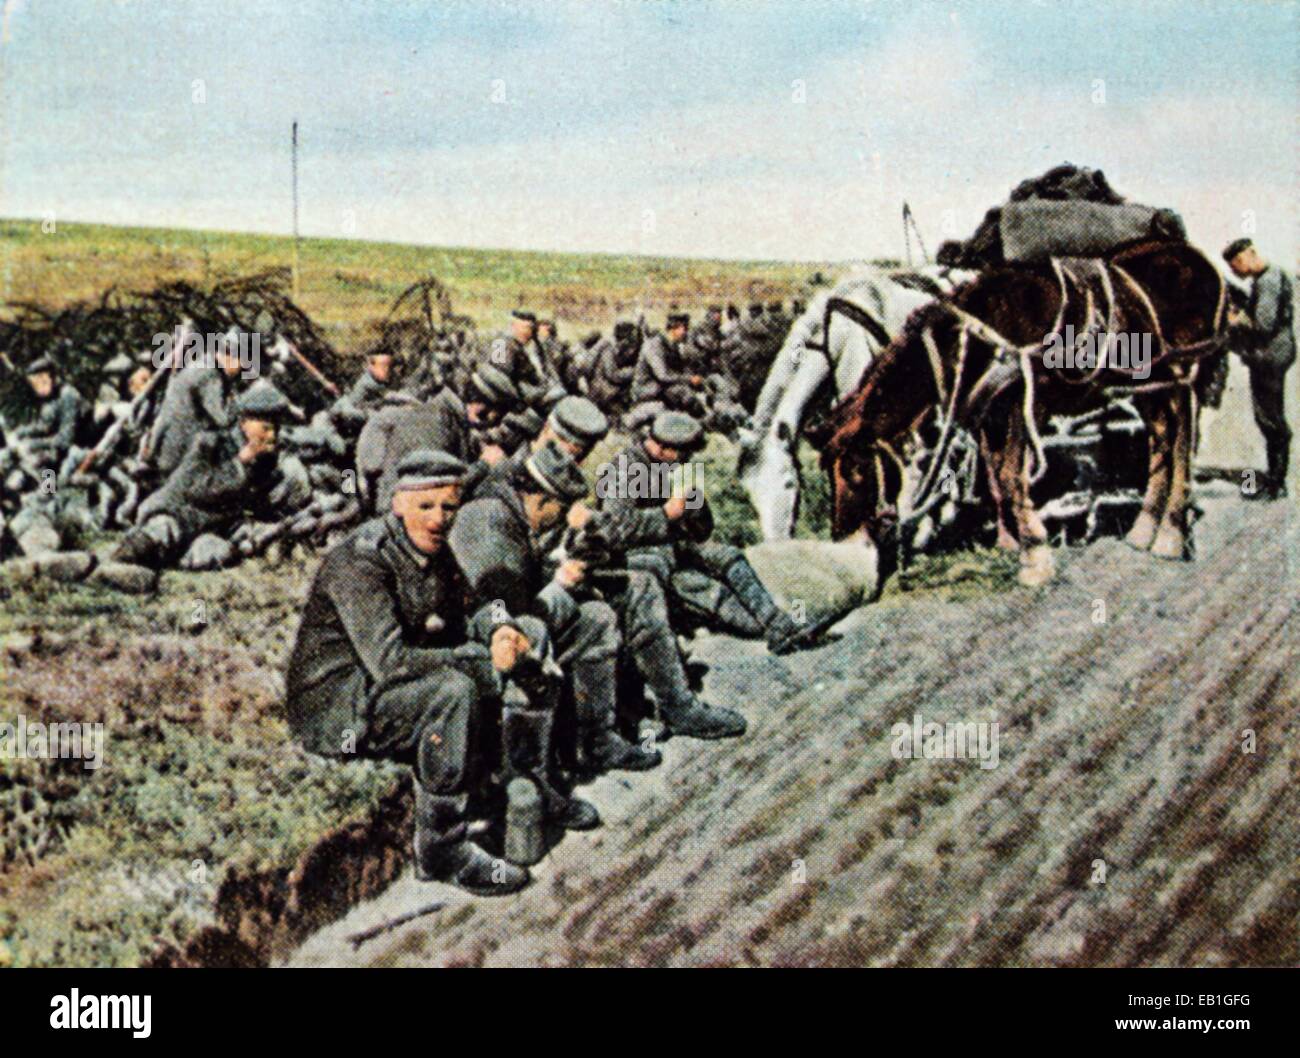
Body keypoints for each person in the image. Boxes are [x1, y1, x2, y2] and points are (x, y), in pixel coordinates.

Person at [284, 450, 535, 894]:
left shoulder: (433, 546)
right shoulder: (361, 561)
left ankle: (509, 786)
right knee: (454, 690)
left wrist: (500, 628)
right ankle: (442, 851)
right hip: (337, 706)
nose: (438, 519)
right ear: (398, 504)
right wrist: (480, 660)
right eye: (425, 506)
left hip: (382, 691)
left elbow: (476, 602)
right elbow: (391, 662)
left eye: (448, 507)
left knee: (491, 665)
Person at [450, 442, 663, 772]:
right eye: (561, 509)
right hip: (481, 644)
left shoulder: (511, 512)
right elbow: (511, 618)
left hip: (503, 622)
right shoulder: (492, 526)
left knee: (598, 618)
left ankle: (597, 741)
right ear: (543, 500)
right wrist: (562, 584)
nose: (563, 517)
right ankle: (532, 777)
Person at [596, 411, 822, 655]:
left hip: (669, 547)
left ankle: (777, 622)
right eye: (682, 455)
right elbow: (613, 530)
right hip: (638, 561)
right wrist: (666, 514)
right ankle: (775, 629)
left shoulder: (656, 466)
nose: (685, 461)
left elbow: (700, 533)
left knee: (727, 556)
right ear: (663, 448)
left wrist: (696, 510)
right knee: (701, 589)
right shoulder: (623, 469)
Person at [111, 385, 307, 571]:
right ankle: (120, 563)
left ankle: (172, 562)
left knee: (222, 552)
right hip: (178, 514)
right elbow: (197, 488)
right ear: (244, 422)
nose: (273, 435)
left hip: (215, 526)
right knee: (159, 535)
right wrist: (240, 462)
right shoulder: (210, 443)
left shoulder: (265, 458)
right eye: (266, 428)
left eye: (276, 427)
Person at [355, 365, 520, 512]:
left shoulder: (447, 416)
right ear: (481, 405)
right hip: (399, 518)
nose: (493, 425)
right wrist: (484, 465)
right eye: (497, 415)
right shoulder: (434, 422)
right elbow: (439, 490)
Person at [1224, 238, 1294, 499]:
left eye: (1235, 267)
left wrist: (1235, 319)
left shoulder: (1268, 281)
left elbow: (1263, 325)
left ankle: (1276, 483)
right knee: (1269, 416)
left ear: (1246, 257)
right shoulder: (1268, 276)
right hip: (1274, 354)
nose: (1236, 273)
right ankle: (1275, 477)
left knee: (1269, 417)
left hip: (1269, 357)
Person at [146, 330, 245, 476]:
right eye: (241, 364)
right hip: (181, 456)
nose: (239, 370)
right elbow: (222, 418)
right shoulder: (211, 376)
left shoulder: (197, 365)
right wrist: (236, 402)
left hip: (166, 446)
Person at [14, 356, 92, 472]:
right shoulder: (50, 400)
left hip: (81, 449)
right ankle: (47, 488)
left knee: (43, 465)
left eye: (42, 380)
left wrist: (33, 444)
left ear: (52, 377)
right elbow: (44, 427)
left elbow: (65, 439)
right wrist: (20, 432)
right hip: (62, 450)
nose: (38, 386)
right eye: (34, 383)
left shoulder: (67, 395)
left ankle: (48, 488)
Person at [630, 313, 707, 423]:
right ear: (676, 328)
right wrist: (689, 379)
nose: (686, 333)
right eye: (684, 329)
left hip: (662, 390)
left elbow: (678, 370)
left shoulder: (672, 345)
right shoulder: (654, 345)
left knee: (689, 397)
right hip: (647, 393)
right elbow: (663, 375)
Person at [485, 310, 562, 407]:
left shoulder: (538, 346)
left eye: (530, 328)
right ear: (513, 326)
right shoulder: (500, 343)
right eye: (522, 328)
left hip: (542, 396)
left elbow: (549, 372)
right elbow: (499, 379)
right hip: (516, 402)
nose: (525, 332)